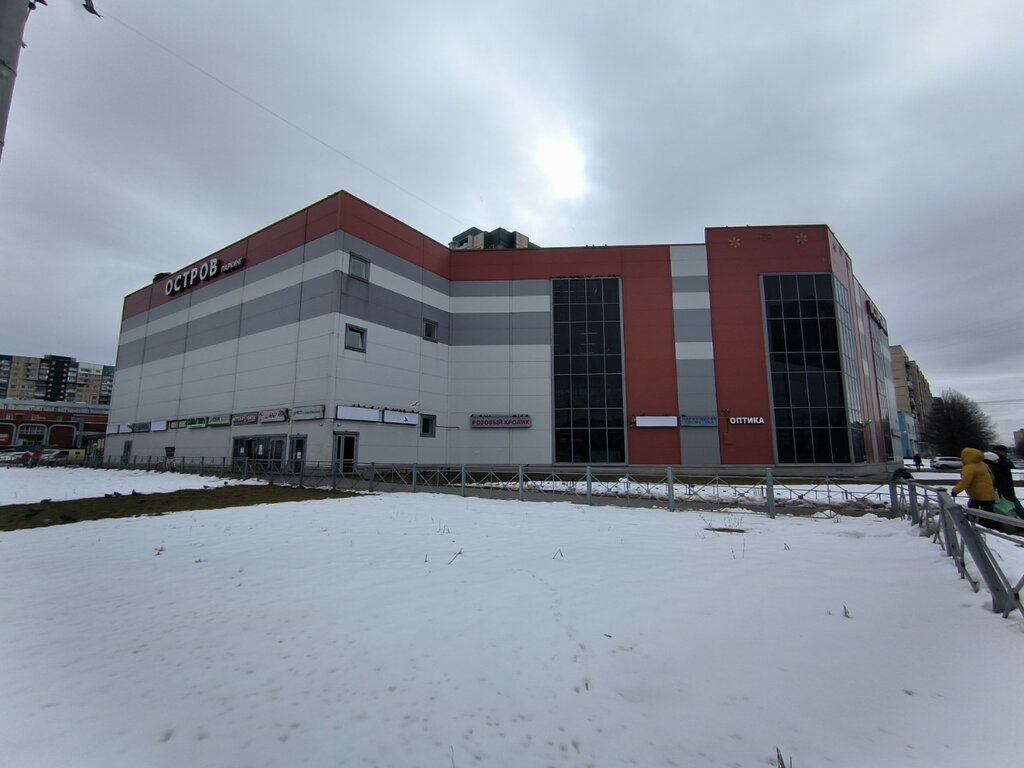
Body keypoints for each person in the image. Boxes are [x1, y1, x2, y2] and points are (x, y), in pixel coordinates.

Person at [950, 447, 996, 512]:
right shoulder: (983, 464)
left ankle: (973, 520)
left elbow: (965, 482)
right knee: (988, 513)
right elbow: (992, 477)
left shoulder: (969, 467)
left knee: (973, 512)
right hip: (989, 494)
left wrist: (955, 491)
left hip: (977, 495)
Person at [988, 445, 1022, 516]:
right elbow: (1011, 465)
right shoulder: (1001, 461)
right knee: (1016, 506)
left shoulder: (991, 461)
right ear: (1000, 451)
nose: (1006, 454)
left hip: (999, 489)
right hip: (1005, 488)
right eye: (1005, 452)